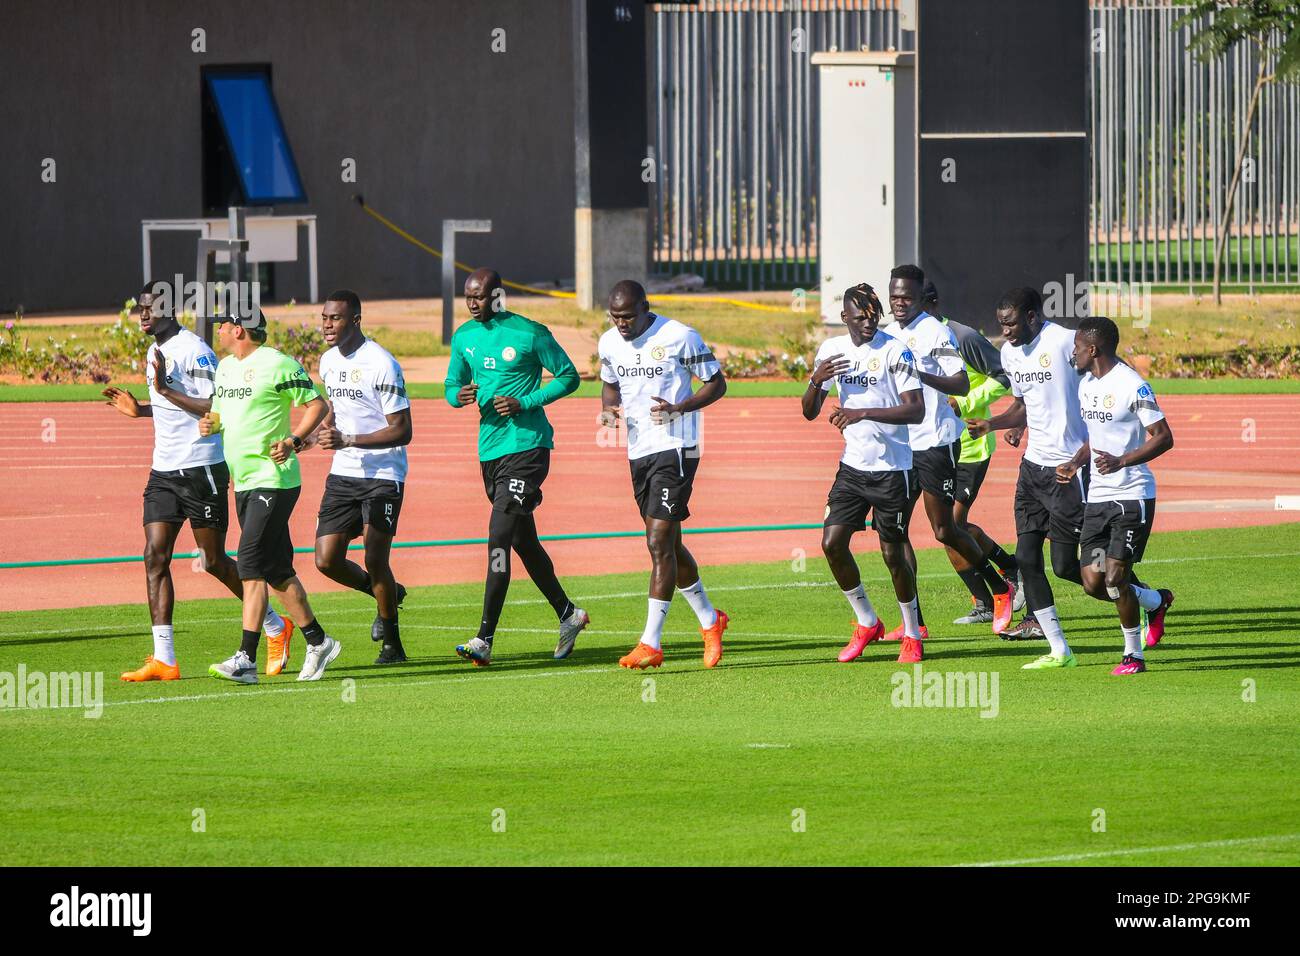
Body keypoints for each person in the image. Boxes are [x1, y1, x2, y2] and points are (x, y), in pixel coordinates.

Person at [103, 282, 290, 682]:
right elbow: (175, 409)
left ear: (170, 309)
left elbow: (217, 405)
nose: (143, 315)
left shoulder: (196, 351)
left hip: (201, 468)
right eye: (140, 309)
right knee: (155, 556)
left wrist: (166, 390)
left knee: (213, 560)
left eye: (150, 308)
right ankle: (165, 658)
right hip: (163, 471)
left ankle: (276, 626)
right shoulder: (155, 350)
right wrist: (141, 410)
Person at [444, 268, 589, 666]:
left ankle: (484, 638)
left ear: (497, 296)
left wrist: (526, 402)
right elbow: (449, 387)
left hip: (528, 448)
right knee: (523, 542)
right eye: (468, 297)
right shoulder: (464, 338)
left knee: (498, 538)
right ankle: (568, 614)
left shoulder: (529, 332)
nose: (473, 304)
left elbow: (569, 377)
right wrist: (460, 395)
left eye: (480, 296)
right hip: (490, 452)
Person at [200, 308, 341, 684]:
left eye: (223, 326)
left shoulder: (278, 364)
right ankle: (319, 640)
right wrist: (208, 424)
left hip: (274, 480)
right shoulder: (225, 367)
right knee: (277, 571)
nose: (218, 331)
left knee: (249, 562)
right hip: (243, 481)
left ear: (239, 329)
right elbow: (219, 414)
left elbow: (317, 404)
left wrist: (294, 440)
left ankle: (245, 658)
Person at [597, 280, 730, 670]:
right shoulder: (608, 343)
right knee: (667, 543)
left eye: (628, 316)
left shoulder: (679, 336)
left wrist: (681, 407)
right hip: (638, 451)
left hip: (678, 446)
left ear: (645, 307)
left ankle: (651, 642)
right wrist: (608, 412)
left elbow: (717, 383)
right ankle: (710, 620)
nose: (622, 323)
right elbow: (609, 386)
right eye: (615, 316)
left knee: (657, 540)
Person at [882, 265, 1016, 640]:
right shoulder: (886, 334)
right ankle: (915, 624)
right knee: (893, 532)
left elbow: (958, 381)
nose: (900, 304)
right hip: (899, 446)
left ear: (921, 298)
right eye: (895, 297)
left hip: (935, 440)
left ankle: (1000, 588)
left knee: (945, 529)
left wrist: (917, 374)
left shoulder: (937, 332)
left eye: (907, 297)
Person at [804, 283, 926, 664]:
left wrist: (861, 412)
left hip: (894, 470)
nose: (869, 323)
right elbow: (809, 411)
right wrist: (815, 380)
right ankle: (866, 621)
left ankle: (910, 632)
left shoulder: (894, 350)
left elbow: (916, 410)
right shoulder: (831, 351)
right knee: (831, 543)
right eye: (860, 318)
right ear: (845, 319)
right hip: (853, 468)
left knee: (893, 555)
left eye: (874, 316)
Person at [968, 287, 1089, 668]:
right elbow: (1023, 403)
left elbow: (1105, 366)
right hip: (1032, 469)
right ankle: (1058, 650)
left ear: (1034, 316)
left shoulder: (1066, 341)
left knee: (1067, 566)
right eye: (1001, 323)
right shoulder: (1009, 352)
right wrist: (995, 423)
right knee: (1026, 557)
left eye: (1011, 323)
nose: (1005, 331)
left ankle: (1145, 598)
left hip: (1069, 470)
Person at [1064, 317, 1175, 675]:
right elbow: (1096, 440)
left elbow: (1162, 436)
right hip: (1098, 498)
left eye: (1078, 347)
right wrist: (1075, 461)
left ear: (1093, 349)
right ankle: (1156, 602)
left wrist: (1123, 460)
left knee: (1114, 578)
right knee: (1093, 582)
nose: (1074, 352)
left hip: (1132, 498)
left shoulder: (1133, 386)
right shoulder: (1086, 385)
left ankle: (1133, 655)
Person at [312, 290, 413, 665]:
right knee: (326, 559)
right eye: (324, 318)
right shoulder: (327, 361)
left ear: (355, 320)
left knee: (374, 558)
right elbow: (335, 414)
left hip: (384, 474)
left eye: (335, 318)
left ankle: (393, 644)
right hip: (343, 473)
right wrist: (303, 440)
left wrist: (349, 440)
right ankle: (387, 593)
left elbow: (402, 430)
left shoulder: (382, 363)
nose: (327, 324)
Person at [918, 281, 1022, 625]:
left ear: (931, 302)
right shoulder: (906, 337)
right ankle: (1002, 577)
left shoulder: (961, 337)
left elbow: (1004, 377)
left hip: (970, 445)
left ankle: (998, 587)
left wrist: (965, 402)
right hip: (933, 445)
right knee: (947, 527)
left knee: (951, 526)